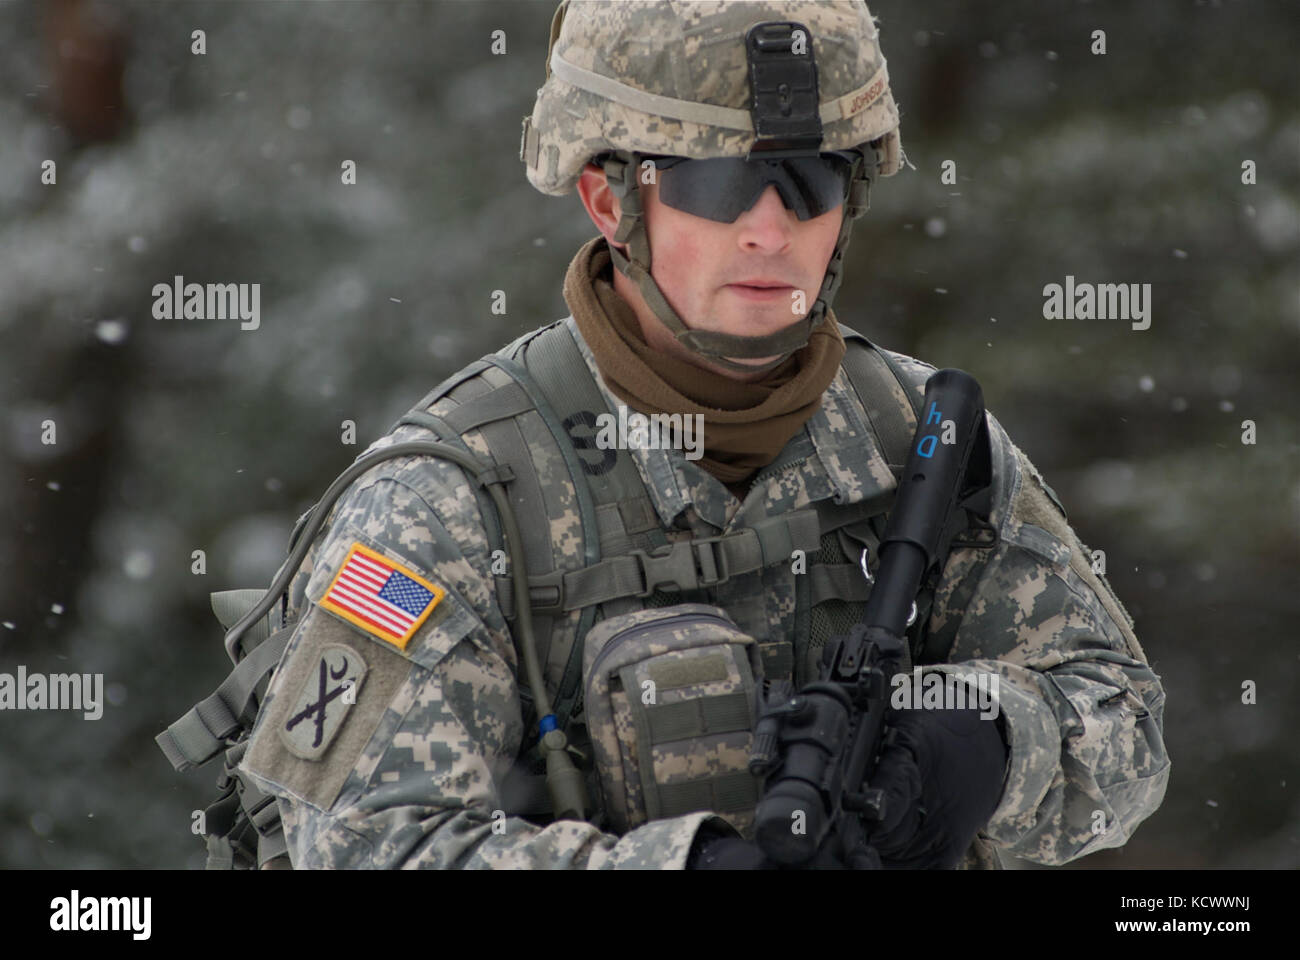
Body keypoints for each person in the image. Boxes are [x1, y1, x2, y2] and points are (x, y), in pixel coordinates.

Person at [223, 0, 1168, 869]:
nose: (769, 230)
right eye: (721, 186)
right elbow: (365, 843)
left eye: (809, 180)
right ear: (610, 201)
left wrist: (990, 743)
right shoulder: (453, 496)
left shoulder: (919, 439)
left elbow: (1123, 722)